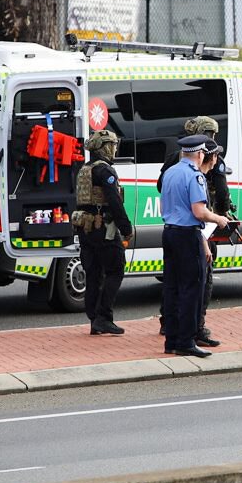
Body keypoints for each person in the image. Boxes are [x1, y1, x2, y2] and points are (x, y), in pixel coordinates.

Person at [157, 115, 233, 347]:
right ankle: (193, 333)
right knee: (197, 284)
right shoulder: (196, 173)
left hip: (170, 230)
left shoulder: (172, 166)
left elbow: (161, 187)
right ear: (201, 152)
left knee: (172, 284)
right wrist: (220, 218)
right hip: (192, 231)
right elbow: (212, 202)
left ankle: (171, 333)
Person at [74, 130, 133, 336]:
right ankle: (104, 317)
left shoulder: (84, 169)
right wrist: (126, 227)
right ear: (105, 147)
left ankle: (94, 319)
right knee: (116, 269)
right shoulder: (104, 171)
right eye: (113, 145)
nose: (115, 149)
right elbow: (114, 202)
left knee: (93, 273)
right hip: (103, 229)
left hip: (85, 228)